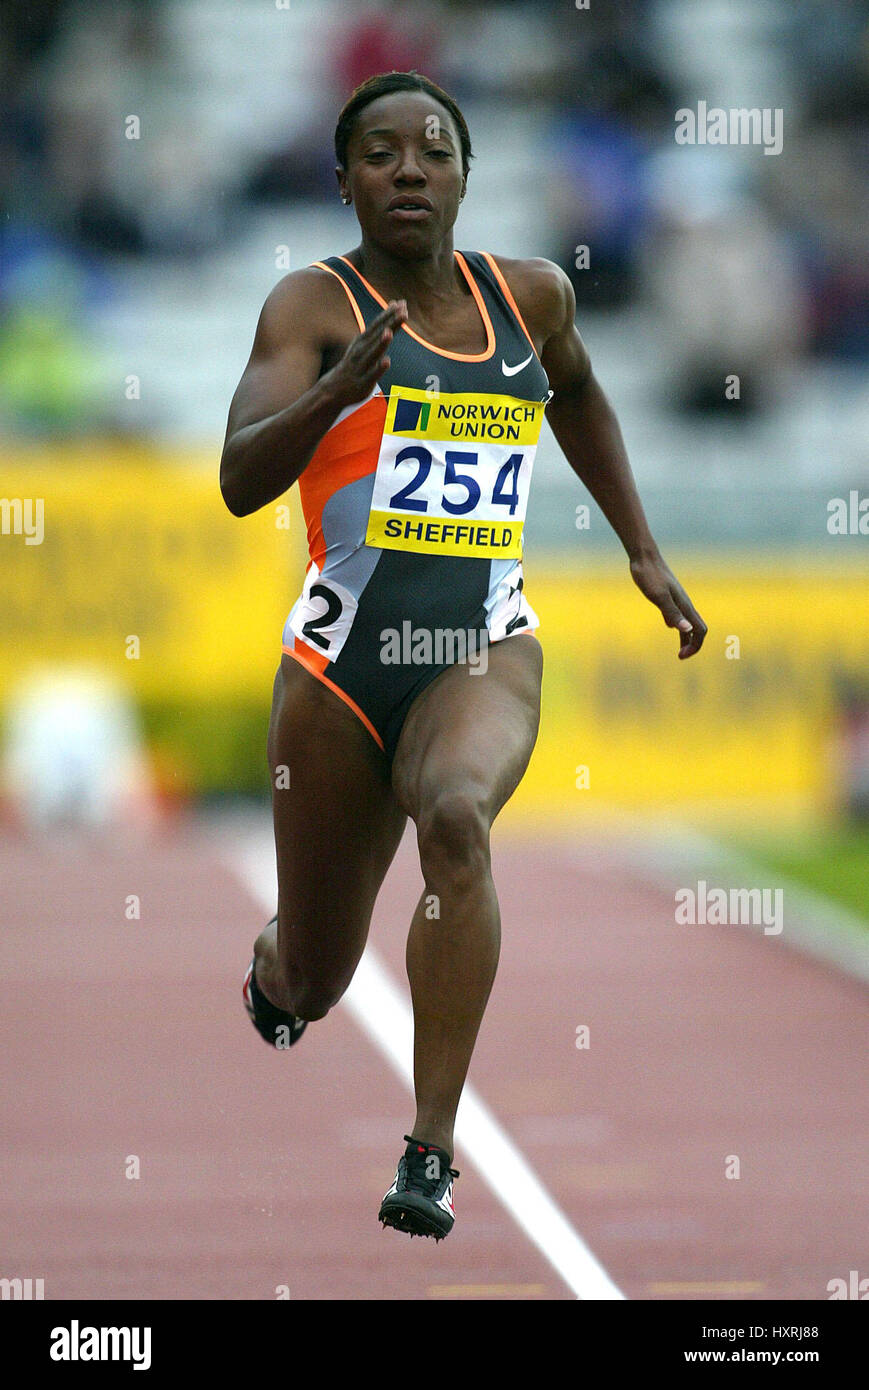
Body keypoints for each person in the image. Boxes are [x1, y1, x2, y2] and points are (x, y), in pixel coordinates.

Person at [220, 70, 707, 1242]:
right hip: (338, 674)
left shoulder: (530, 297)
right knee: (316, 981)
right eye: (378, 154)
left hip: (479, 646)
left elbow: (578, 397)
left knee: (456, 821)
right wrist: (335, 392)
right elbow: (240, 479)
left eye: (431, 151)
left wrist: (639, 549)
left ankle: (430, 1148)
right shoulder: (308, 307)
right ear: (341, 181)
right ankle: (279, 964)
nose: (406, 170)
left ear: (462, 176)